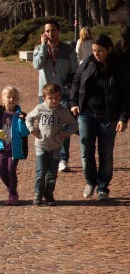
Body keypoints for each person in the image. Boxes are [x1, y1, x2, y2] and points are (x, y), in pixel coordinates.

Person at [70, 34, 130, 201]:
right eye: (95, 50)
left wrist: (123, 118)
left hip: (108, 117)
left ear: (109, 49)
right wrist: (74, 102)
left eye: (100, 51)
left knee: (106, 153)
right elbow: (76, 81)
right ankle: (90, 181)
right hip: (86, 114)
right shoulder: (87, 63)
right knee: (86, 151)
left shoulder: (119, 68)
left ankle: (103, 186)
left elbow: (127, 95)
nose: (97, 54)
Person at [32, 20, 78, 172]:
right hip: (44, 94)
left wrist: (68, 85)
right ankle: (47, 154)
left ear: (58, 31)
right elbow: (37, 65)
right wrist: (44, 47)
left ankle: (63, 158)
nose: (51, 34)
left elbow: (75, 71)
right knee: (46, 125)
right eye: (48, 31)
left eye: (53, 30)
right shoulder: (39, 48)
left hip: (62, 93)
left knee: (63, 125)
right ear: (44, 33)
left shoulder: (68, 49)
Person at [25, 82, 78, 206]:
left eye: (57, 98)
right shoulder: (40, 108)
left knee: (52, 173)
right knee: (40, 172)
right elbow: (28, 118)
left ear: (60, 97)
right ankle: (38, 194)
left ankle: (48, 194)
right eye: (50, 98)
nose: (54, 100)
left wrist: (65, 133)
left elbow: (74, 124)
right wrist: (32, 129)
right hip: (41, 145)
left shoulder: (63, 111)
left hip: (55, 146)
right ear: (44, 98)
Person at [0, 86, 30, 205]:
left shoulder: (21, 115)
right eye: (8, 97)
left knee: (11, 170)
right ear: (2, 99)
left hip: (14, 149)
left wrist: (22, 122)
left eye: (14, 97)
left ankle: (13, 194)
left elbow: (25, 132)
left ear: (17, 99)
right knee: (2, 171)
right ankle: (11, 188)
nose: (11, 99)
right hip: (2, 148)